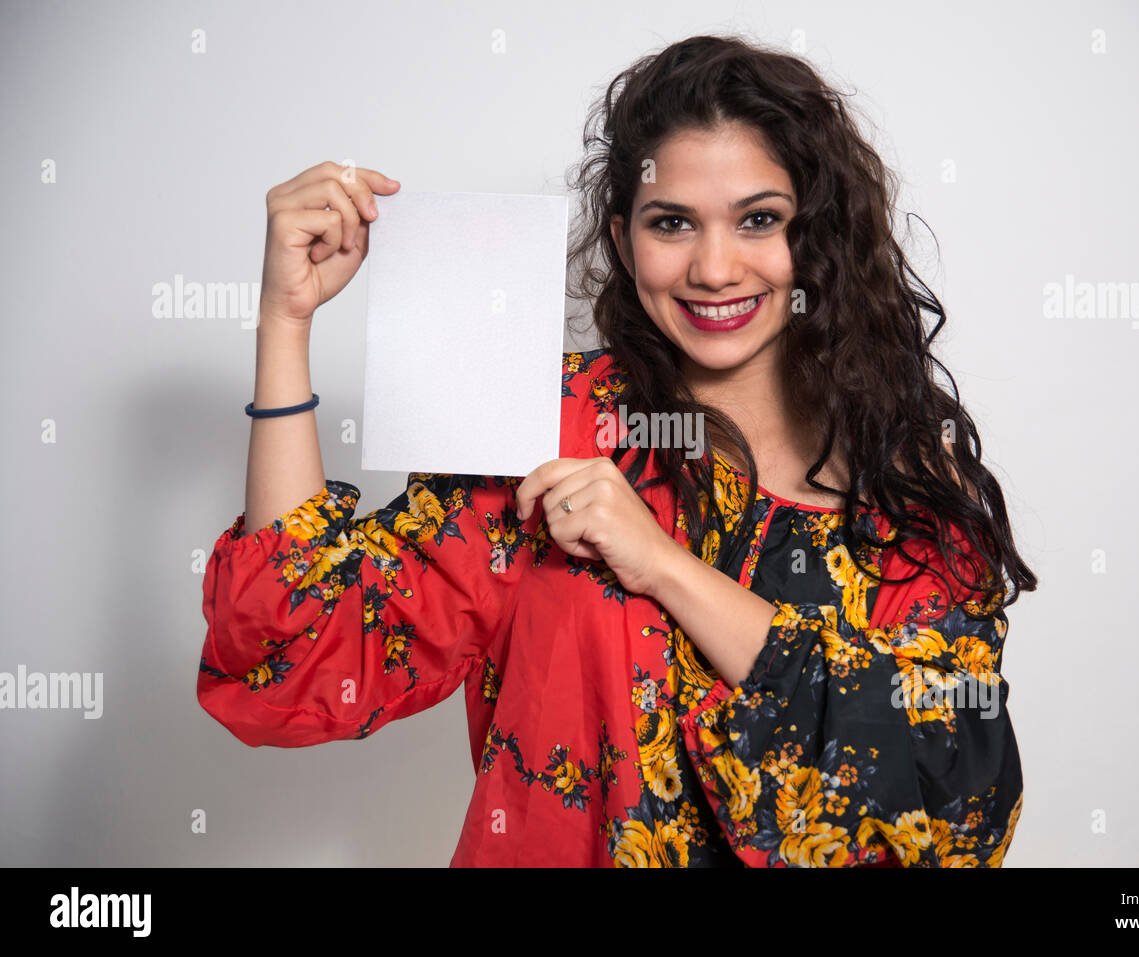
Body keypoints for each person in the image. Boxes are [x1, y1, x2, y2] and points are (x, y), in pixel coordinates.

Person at [197, 33, 1038, 868]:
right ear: (624, 234)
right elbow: (295, 655)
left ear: (816, 234)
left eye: (758, 220)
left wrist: (662, 563)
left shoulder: (905, 473)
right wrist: (286, 323)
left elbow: (958, 792)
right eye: (672, 223)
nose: (714, 267)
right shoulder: (541, 426)